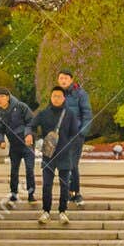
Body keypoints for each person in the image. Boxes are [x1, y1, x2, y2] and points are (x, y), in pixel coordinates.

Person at [33, 85, 82, 225]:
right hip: (48, 155)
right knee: (46, 185)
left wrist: (68, 146)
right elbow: (31, 126)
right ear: (51, 97)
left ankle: (62, 211)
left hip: (64, 155)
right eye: (54, 96)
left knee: (64, 185)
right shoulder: (43, 113)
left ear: (64, 98)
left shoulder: (70, 114)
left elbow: (75, 134)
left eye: (59, 96)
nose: (56, 98)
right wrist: (36, 139)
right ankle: (46, 211)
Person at [0, 87, 36, 203]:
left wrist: (28, 134)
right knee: (14, 171)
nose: (0, 99)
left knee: (29, 170)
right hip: (14, 146)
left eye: (2, 96)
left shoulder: (21, 106)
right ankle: (13, 194)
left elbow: (31, 121)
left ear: (8, 97)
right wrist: (1, 140)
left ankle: (31, 194)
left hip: (27, 144)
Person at [57, 70, 92, 203]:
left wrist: (82, 132)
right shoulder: (56, 94)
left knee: (72, 164)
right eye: (61, 78)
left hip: (75, 135)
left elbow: (87, 114)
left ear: (71, 80)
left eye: (66, 78)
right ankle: (66, 192)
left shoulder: (80, 94)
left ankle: (76, 193)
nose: (63, 81)